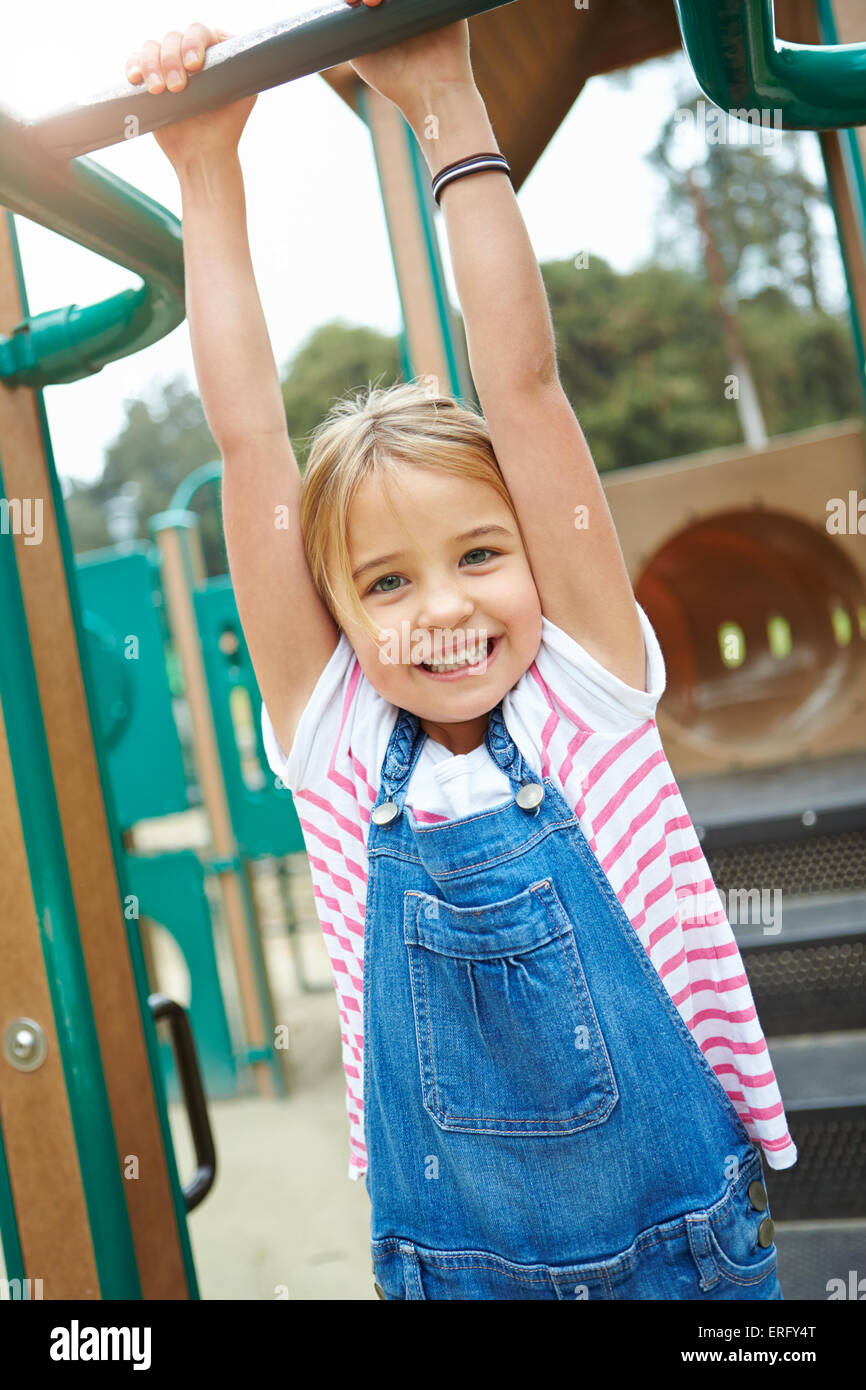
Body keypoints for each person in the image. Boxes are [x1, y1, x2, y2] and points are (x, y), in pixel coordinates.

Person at [126, 3, 796, 1301]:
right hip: (457, 1274)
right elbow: (250, 448)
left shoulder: (585, 690)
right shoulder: (335, 746)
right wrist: (207, 172)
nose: (443, 605)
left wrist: (447, 101)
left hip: (686, 1260)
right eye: (383, 579)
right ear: (333, 612)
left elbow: (522, 382)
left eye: (480, 554)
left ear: (538, 553)